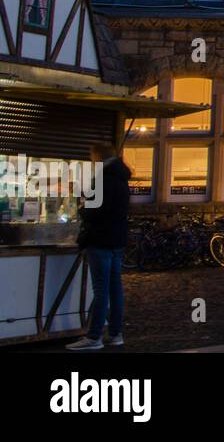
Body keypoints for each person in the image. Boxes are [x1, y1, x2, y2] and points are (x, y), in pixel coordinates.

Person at [68, 143, 131, 350]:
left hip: (101, 240)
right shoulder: (121, 179)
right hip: (117, 239)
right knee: (115, 289)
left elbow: (95, 211)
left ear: (97, 157)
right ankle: (115, 334)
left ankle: (94, 337)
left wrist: (81, 209)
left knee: (101, 290)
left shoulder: (103, 179)